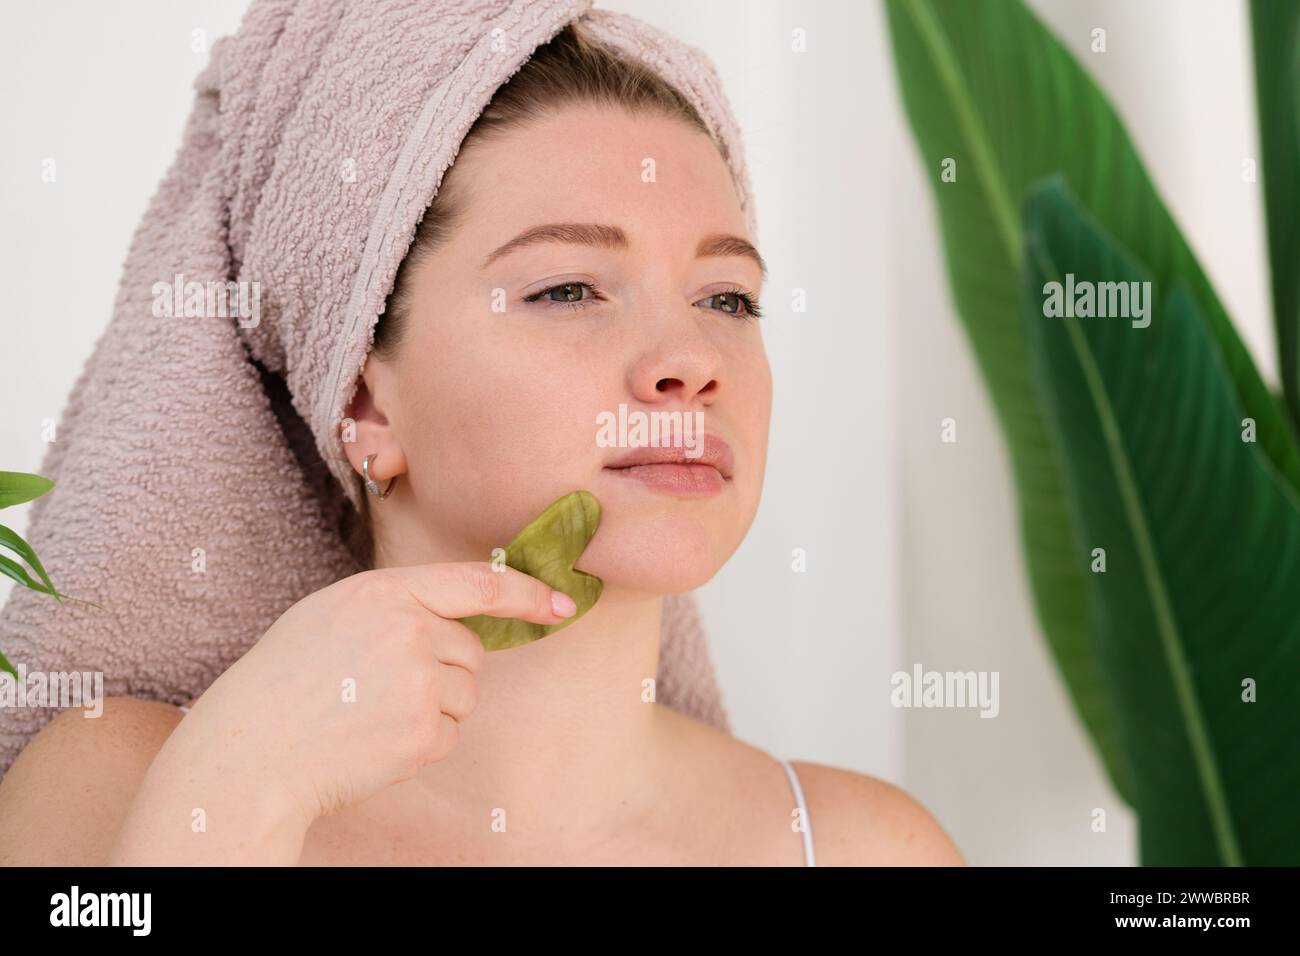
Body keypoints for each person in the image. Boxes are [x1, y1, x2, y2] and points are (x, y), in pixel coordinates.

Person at [0, 20, 963, 867]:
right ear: (367, 406)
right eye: (568, 289)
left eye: (727, 298)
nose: (691, 360)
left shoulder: (868, 850)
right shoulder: (122, 789)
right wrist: (243, 796)